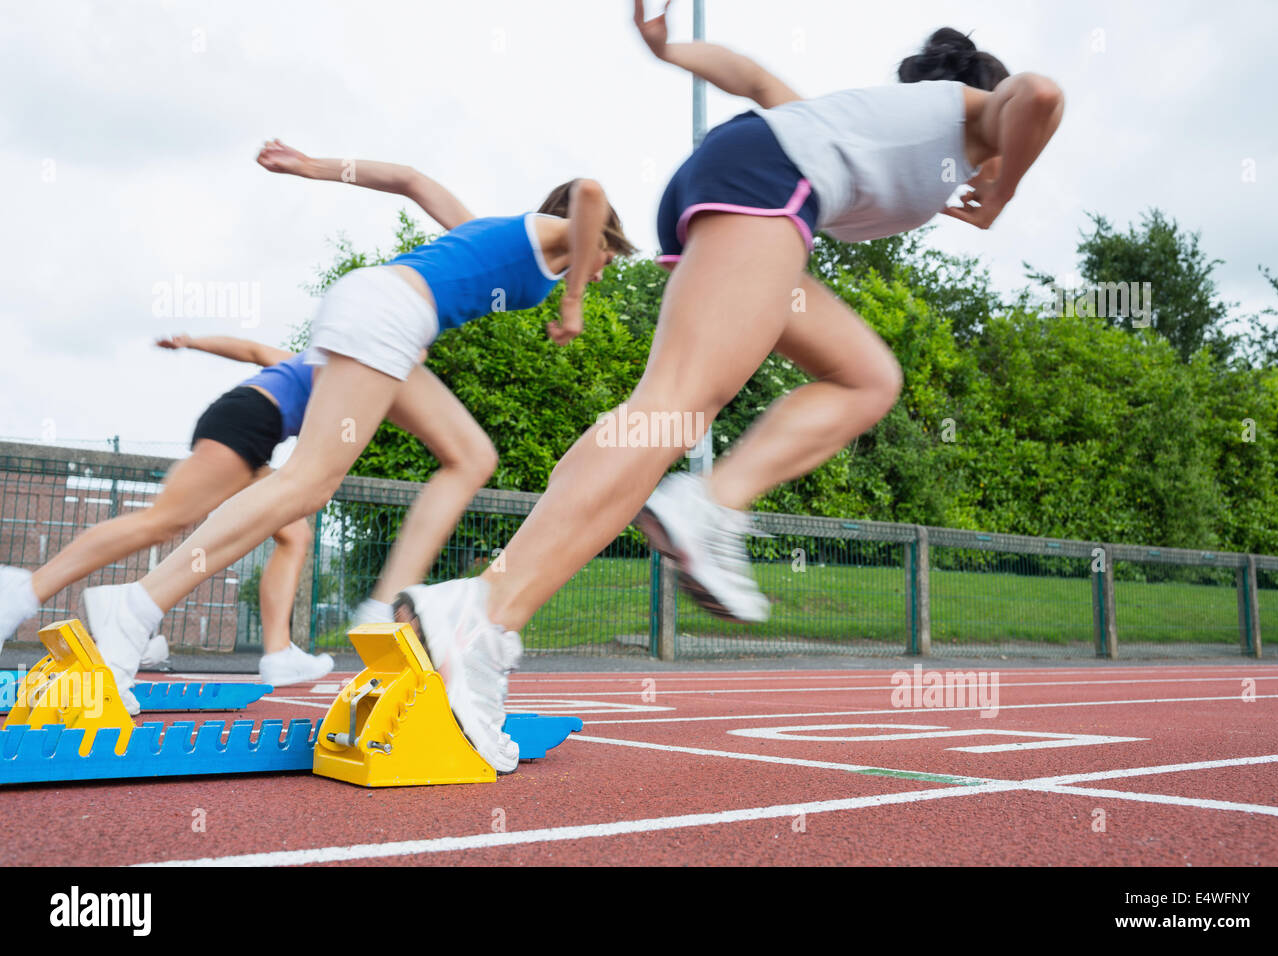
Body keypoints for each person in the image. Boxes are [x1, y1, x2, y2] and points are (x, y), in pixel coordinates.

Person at [393, 7, 1064, 746]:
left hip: (755, 188)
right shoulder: (972, 116)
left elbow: (755, 80)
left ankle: (705, 506)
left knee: (865, 377)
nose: (991, 173)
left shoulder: (868, 124)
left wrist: (672, 49)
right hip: (767, 188)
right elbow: (1039, 96)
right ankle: (484, 616)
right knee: (673, 408)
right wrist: (1003, 189)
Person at [73, 142, 632, 773]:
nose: (602, 269)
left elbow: (412, 179)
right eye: (607, 257)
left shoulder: (492, 234)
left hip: (390, 317)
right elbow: (588, 191)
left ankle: (385, 604)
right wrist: (574, 298)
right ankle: (138, 606)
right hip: (387, 315)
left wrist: (310, 164)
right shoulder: (558, 232)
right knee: (307, 485)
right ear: (601, 242)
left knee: (470, 456)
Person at [0, 335, 333, 686]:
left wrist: (190, 342)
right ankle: (22, 592)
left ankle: (279, 654)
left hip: (249, 424)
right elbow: (256, 355)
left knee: (293, 532)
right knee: (162, 522)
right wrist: (191, 342)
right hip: (248, 421)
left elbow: (254, 351)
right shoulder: (343, 365)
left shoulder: (318, 364)